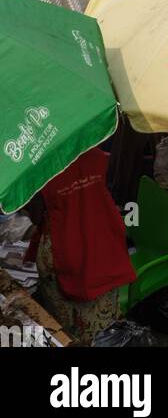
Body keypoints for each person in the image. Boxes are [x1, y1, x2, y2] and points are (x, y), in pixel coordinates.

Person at [24, 147, 136, 345]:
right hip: (101, 240)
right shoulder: (98, 156)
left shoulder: (40, 169)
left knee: (67, 327)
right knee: (103, 324)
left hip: (62, 248)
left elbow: (35, 215)